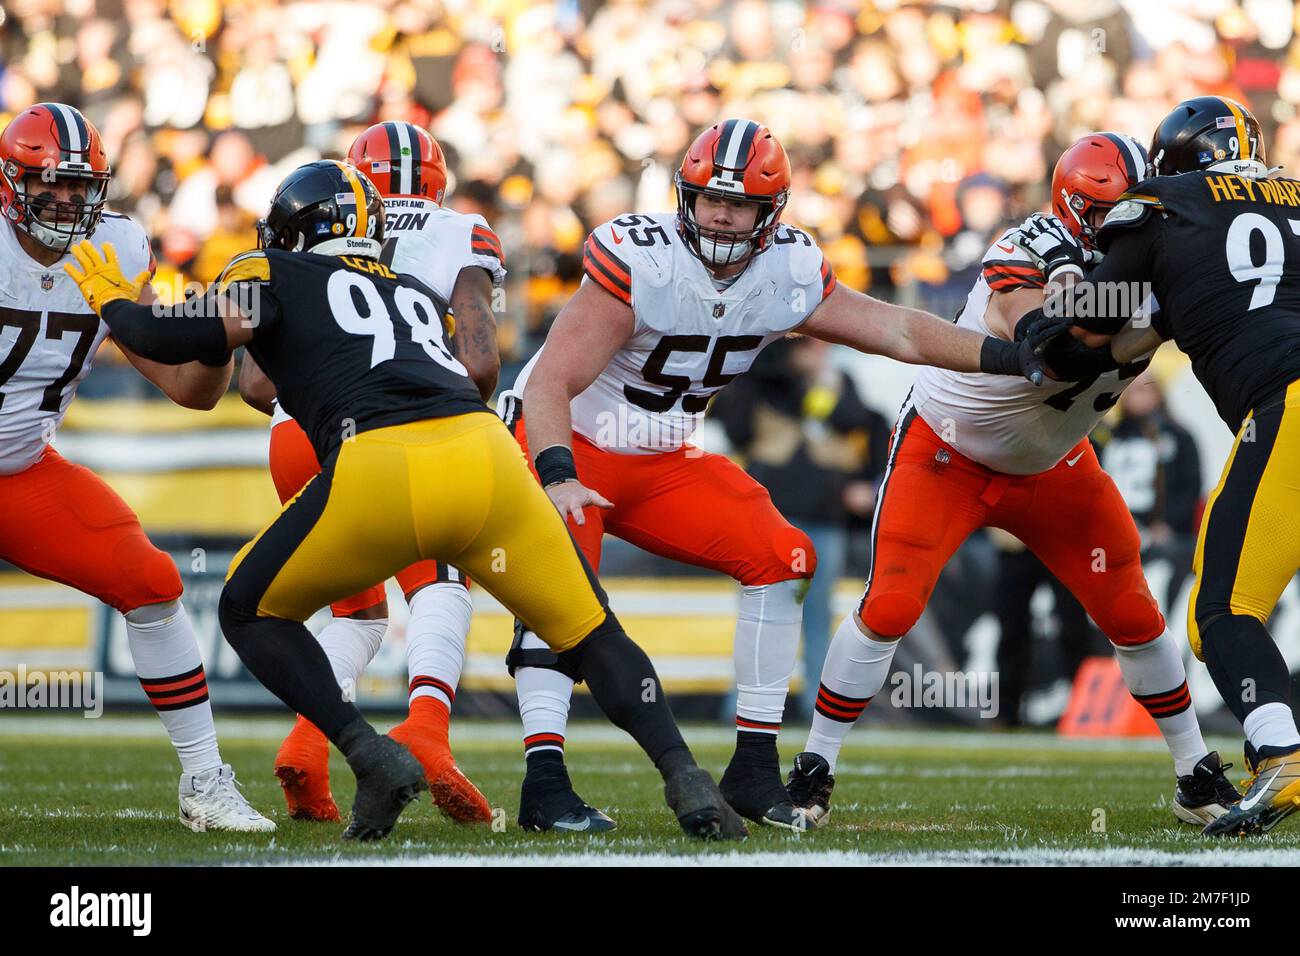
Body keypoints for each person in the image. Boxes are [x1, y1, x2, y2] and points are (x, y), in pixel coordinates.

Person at [64, 158, 748, 842]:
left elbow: (175, 339)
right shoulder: (408, 289)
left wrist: (113, 300)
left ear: (295, 231)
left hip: (383, 465)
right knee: (594, 633)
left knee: (248, 609)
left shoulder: (272, 270)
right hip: (488, 461)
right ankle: (689, 779)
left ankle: (368, 753)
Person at [499, 118, 1056, 833]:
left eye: (738, 204)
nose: (720, 214)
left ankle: (754, 771)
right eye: (707, 199)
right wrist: (555, 474)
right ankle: (545, 783)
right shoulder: (641, 258)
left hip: (663, 454)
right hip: (566, 438)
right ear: (684, 197)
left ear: (773, 213)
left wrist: (1013, 359)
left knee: (787, 558)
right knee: (564, 589)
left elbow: (900, 331)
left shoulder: (787, 271)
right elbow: (549, 383)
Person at [787, 132, 1235, 829]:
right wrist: (1144, 323)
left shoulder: (1157, 264)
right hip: (948, 453)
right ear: (1075, 211)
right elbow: (1052, 353)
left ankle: (1195, 777)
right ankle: (813, 768)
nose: (1129, 228)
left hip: (1053, 463)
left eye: (1137, 213)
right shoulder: (1023, 252)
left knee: (1133, 612)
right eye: (1110, 215)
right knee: (892, 605)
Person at [1017, 97, 1300, 836]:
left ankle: (1281, 754)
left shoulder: (1163, 205)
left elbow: (1096, 323)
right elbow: (1163, 323)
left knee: (1221, 612)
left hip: (1289, 406)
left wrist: (1047, 333)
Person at [0, 102, 272, 832]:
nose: (64, 200)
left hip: (21, 471)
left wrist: (215, 336)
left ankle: (206, 783)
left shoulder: (116, 248)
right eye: (47, 183)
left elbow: (188, 390)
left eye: (79, 186)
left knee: (153, 584)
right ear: (9, 182)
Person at [238, 122, 501, 826]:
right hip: (396, 435)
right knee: (444, 575)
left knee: (356, 611)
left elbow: (256, 385)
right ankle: (429, 736)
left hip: (296, 436)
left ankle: (307, 744)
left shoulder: (305, 228)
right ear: (436, 183)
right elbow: (479, 363)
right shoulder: (456, 230)